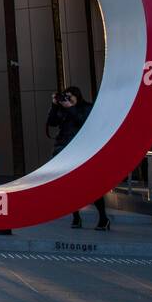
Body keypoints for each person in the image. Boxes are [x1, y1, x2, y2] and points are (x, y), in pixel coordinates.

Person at [46, 86, 110, 230]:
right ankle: (76, 217)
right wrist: (54, 105)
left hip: (82, 150)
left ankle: (103, 218)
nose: (68, 100)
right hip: (64, 149)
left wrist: (70, 108)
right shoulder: (62, 108)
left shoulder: (86, 108)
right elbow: (52, 122)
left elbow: (84, 121)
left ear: (77, 96)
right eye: (65, 96)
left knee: (92, 186)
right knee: (69, 186)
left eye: (70, 97)